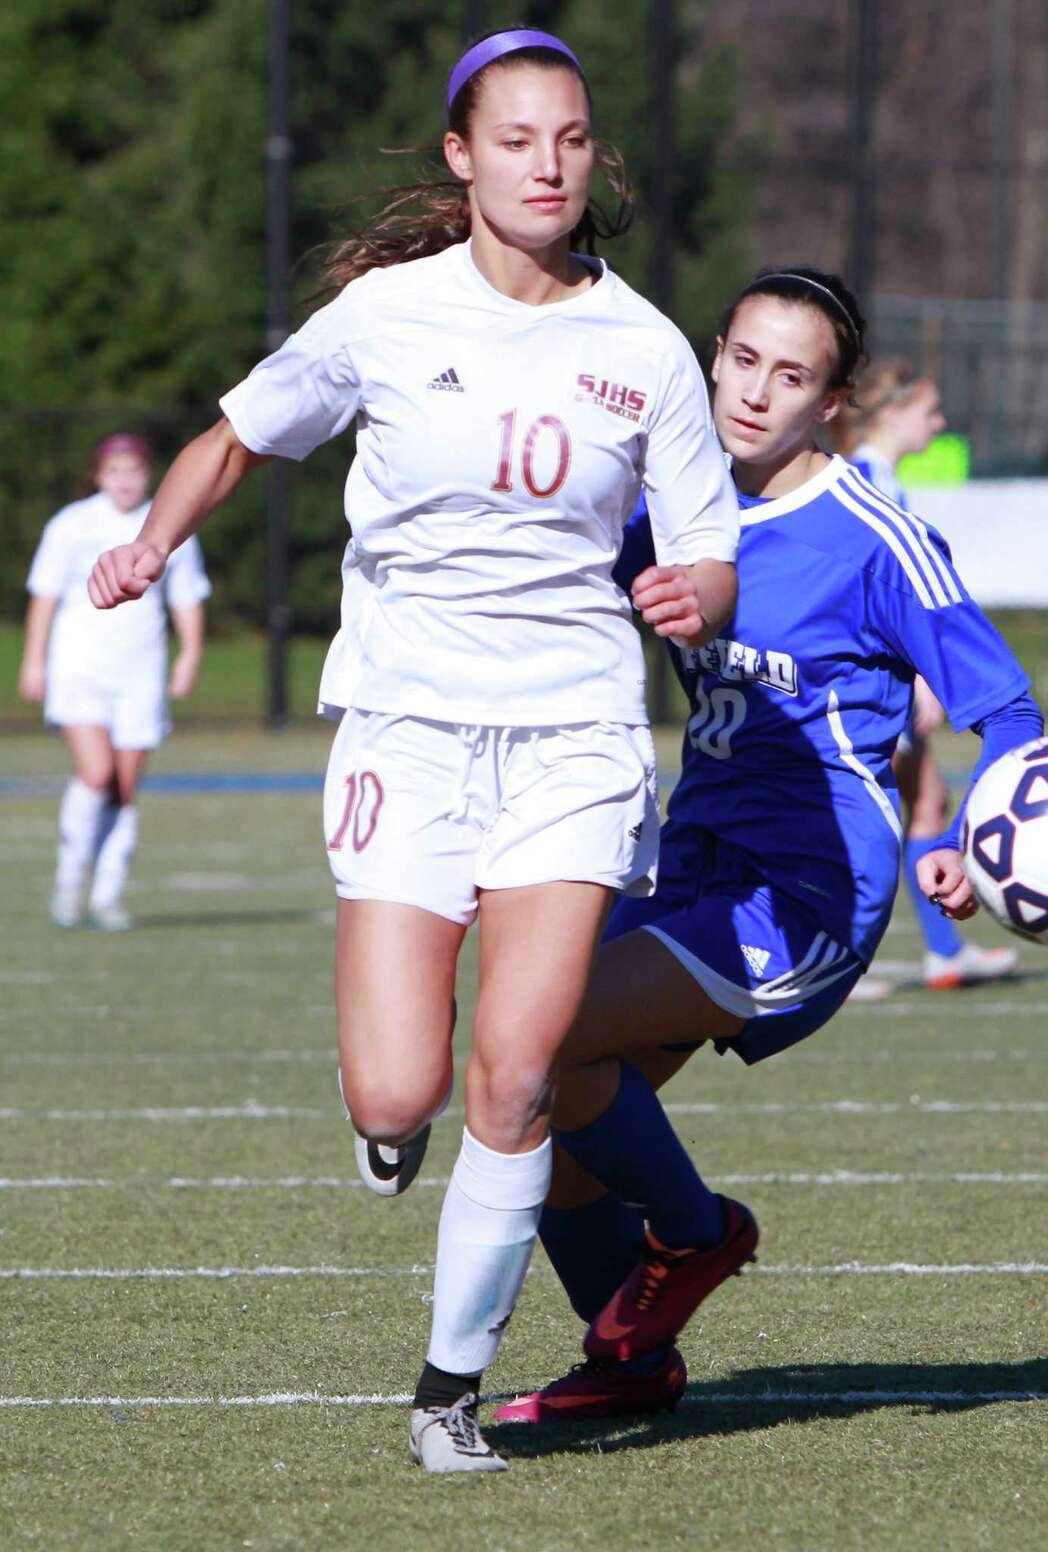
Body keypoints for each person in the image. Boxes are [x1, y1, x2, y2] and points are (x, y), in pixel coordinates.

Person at [86, 28, 739, 1474]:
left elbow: (705, 537)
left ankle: (448, 1394)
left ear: (594, 156)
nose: (547, 166)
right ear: (462, 156)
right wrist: (150, 540)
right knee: (403, 1091)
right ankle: (388, 1132)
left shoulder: (643, 348)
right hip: (409, 727)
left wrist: (700, 594)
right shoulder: (386, 314)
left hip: (574, 732)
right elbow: (237, 439)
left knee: (514, 1065)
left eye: (570, 141)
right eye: (516, 141)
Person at [488, 268, 1043, 1425]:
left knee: (540, 1033)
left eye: (789, 375)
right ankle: (632, 1363)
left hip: (808, 888)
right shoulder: (672, 500)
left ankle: (700, 1234)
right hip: (690, 867)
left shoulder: (874, 534)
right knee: (534, 1113)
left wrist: (983, 847)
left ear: (832, 400)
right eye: (740, 359)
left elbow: (1010, 711)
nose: (753, 392)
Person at [835, 362, 1018, 991]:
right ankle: (831, 954)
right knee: (858, 809)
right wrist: (917, 677)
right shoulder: (863, 480)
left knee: (928, 801)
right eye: (928, 412)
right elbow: (870, 597)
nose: (937, 425)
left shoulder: (881, 478)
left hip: (886, 680)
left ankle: (942, 949)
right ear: (893, 413)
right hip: (866, 685)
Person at [18, 433, 209, 931]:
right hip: (79, 666)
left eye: (134, 470)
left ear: (149, 475)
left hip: (140, 671)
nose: (125, 481)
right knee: (96, 773)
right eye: (115, 471)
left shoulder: (169, 525)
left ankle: (107, 894)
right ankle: (70, 877)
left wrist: (189, 654)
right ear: (99, 475)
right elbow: (44, 595)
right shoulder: (72, 524)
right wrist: (33, 661)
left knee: (124, 787)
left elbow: (185, 597)